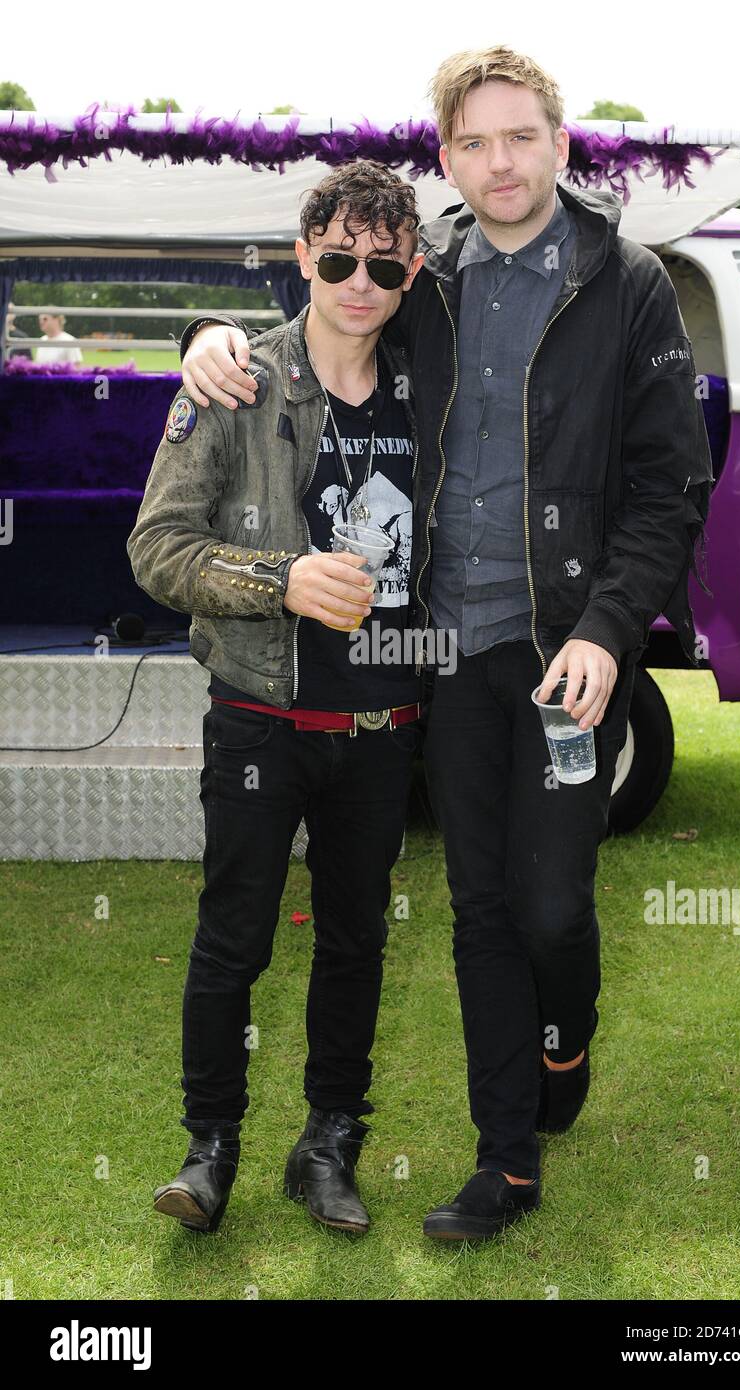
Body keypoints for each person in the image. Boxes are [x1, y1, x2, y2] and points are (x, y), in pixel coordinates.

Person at [177, 45, 714, 1243]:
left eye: (518, 136)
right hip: (450, 654)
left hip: (567, 648)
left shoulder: (623, 284)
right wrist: (213, 331)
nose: (497, 161)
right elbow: (327, 311)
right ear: (446, 159)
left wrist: (610, 633)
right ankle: (504, 1165)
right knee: (476, 907)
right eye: (471, 143)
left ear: (559, 144)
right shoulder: (430, 276)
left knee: (550, 909)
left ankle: (563, 1035)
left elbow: (669, 485)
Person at [128, 161, 425, 1236]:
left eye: (381, 262)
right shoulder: (236, 381)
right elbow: (156, 547)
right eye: (337, 257)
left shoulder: (428, 387)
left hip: (382, 727)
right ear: (303, 257)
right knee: (233, 938)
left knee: (356, 941)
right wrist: (278, 580)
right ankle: (209, 1151)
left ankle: (328, 1143)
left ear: (409, 270)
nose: (358, 281)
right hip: (258, 712)